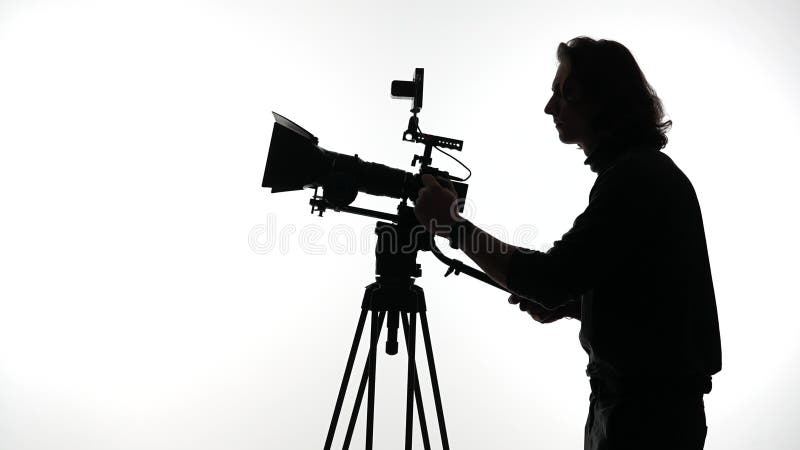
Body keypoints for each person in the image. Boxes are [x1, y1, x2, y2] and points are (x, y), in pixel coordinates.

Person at [413, 37, 722, 450]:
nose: (550, 106)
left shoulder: (635, 179)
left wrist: (451, 225)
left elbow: (549, 277)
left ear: (604, 102)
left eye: (566, 93)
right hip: (634, 410)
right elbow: (648, 294)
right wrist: (580, 306)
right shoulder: (640, 174)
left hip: (644, 419)